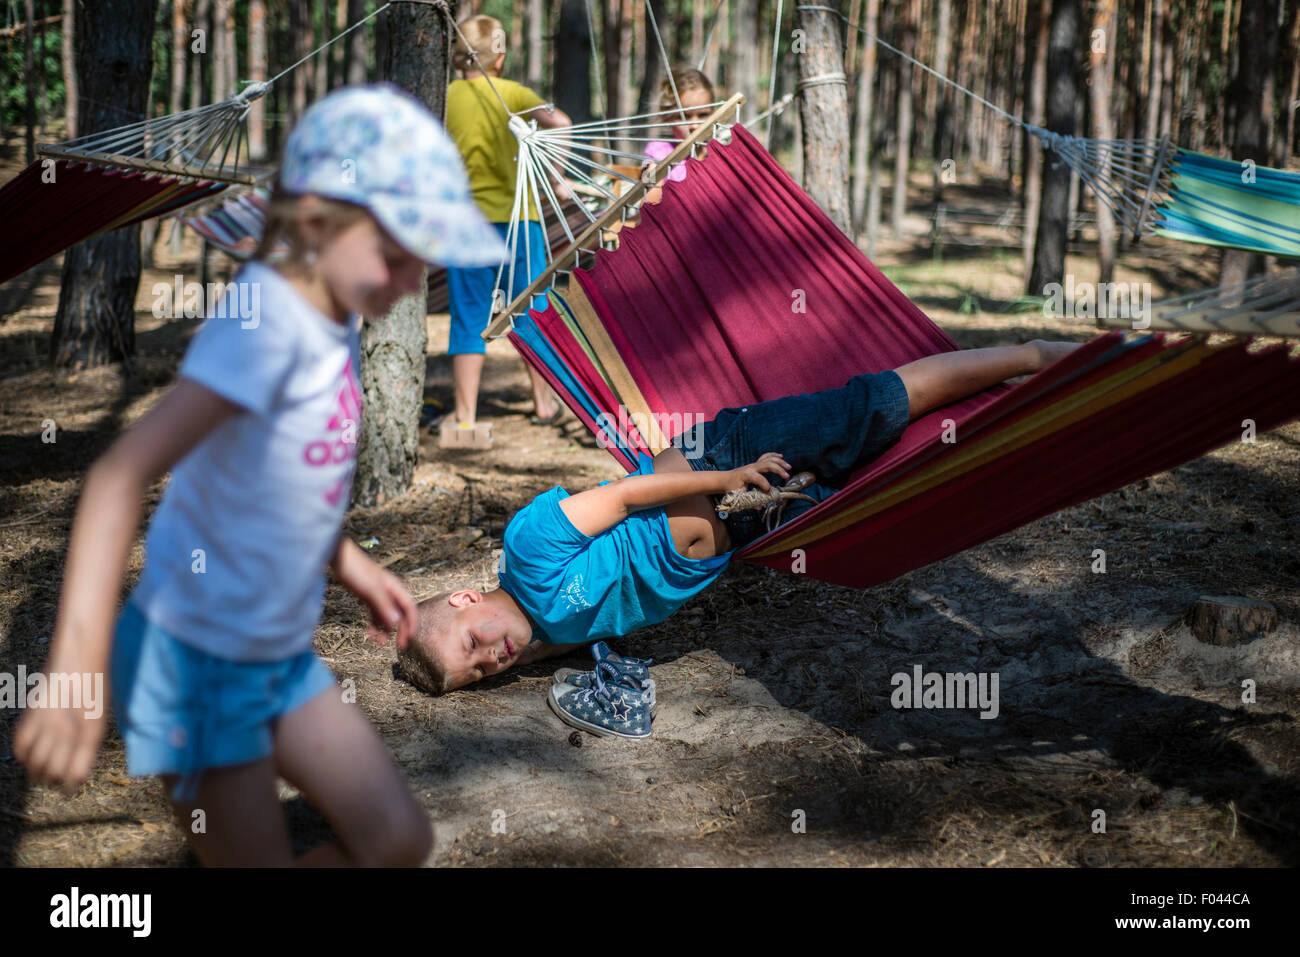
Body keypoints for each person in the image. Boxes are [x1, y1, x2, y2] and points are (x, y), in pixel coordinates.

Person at [14, 85, 512, 865]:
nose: (414, 280)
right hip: (197, 663)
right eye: (396, 252)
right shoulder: (265, 324)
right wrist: (74, 668)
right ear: (313, 224)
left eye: (424, 255)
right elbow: (117, 475)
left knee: (398, 839)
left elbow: (281, 481)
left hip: (277, 654)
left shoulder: (338, 307)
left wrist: (352, 563)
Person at [397, 339, 1082, 735]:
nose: (493, 658)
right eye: (481, 674)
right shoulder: (545, 642)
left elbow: (631, 492)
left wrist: (730, 472)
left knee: (871, 411)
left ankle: (1034, 353)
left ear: (463, 598)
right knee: (887, 482)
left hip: (726, 459)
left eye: (473, 644)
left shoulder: (528, 548)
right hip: (754, 525)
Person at [441, 14, 573, 448]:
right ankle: (543, 404)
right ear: (498, 55)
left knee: (469, 317)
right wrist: (557, 175)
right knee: (529, 311)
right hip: (521, 222)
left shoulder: (446, 98)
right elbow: (563, 123)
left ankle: (464, 422)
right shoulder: (514, 94)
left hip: (464, 225)